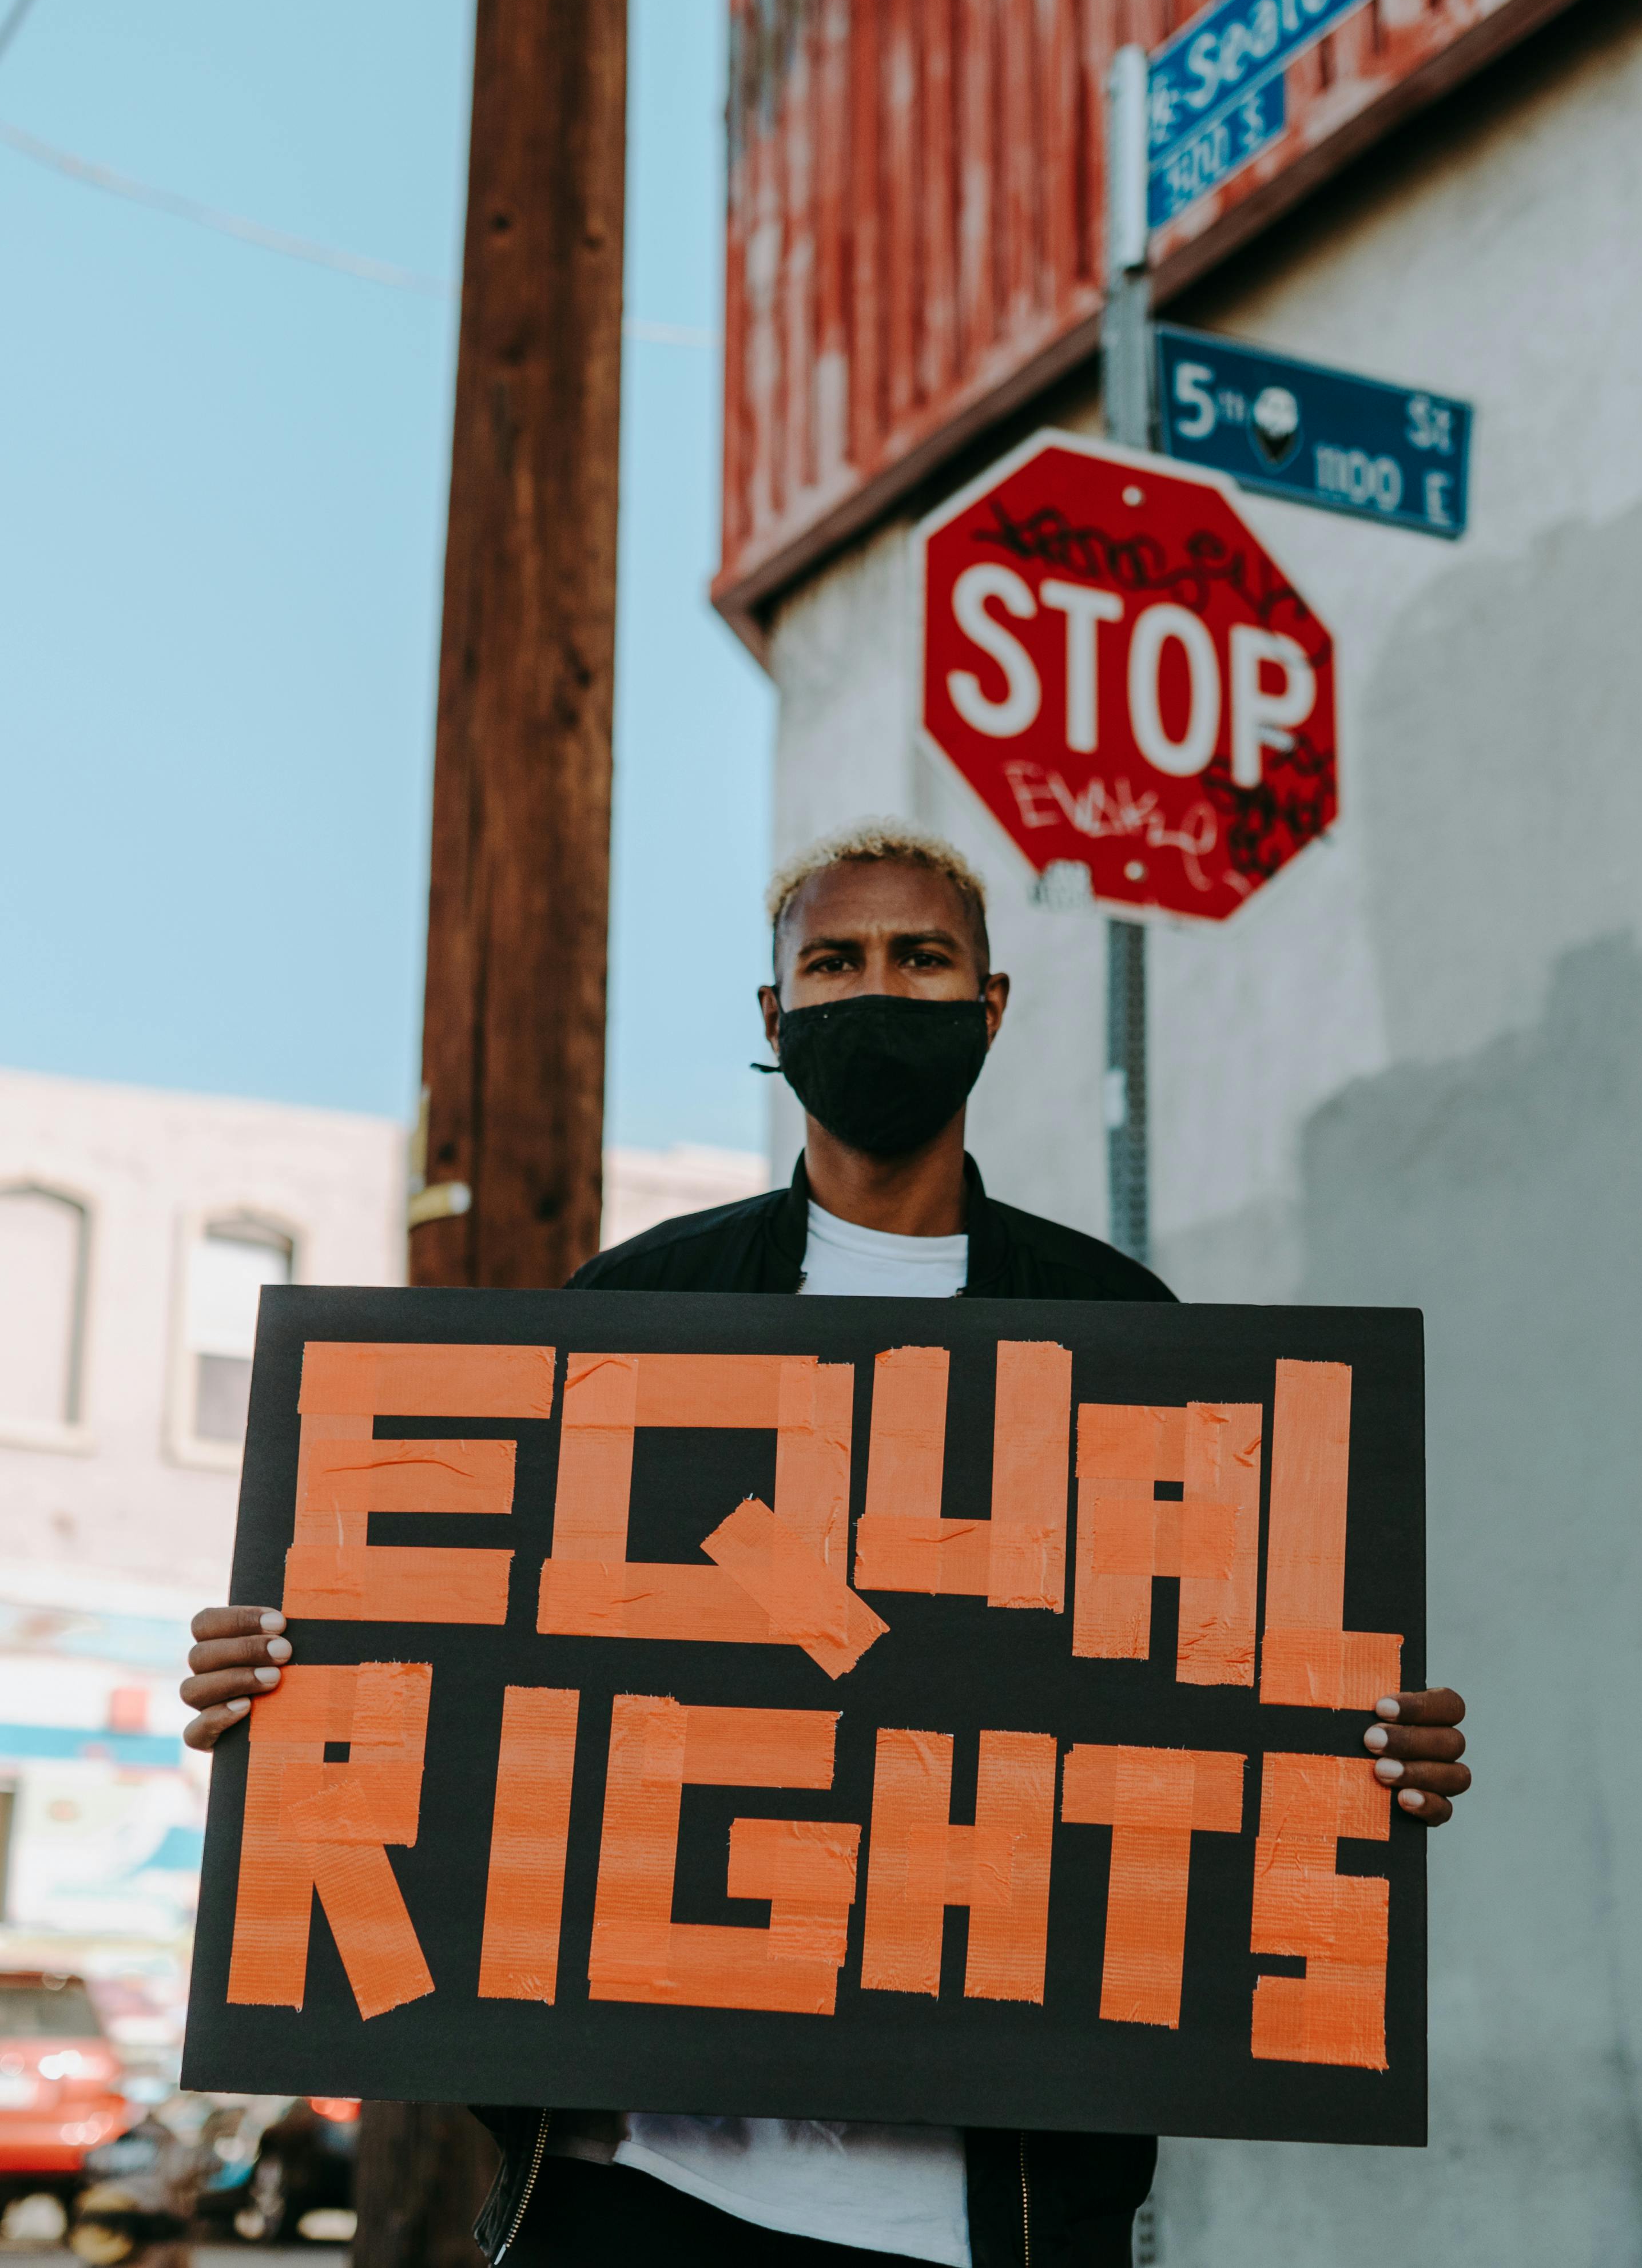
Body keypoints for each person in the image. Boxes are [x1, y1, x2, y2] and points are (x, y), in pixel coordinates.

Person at [181, 824, 1473, 2266]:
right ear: (773, 1018)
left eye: (921, 960)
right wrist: (288, 1676)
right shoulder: (634, 1310)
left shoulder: (1125, 1332)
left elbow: (1208, 1708)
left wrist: (1356, 1761)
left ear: (989, 1008)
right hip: (640, 2196)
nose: (877, 992)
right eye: (833, 962)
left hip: (991, 2221)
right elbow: (482, 1666)